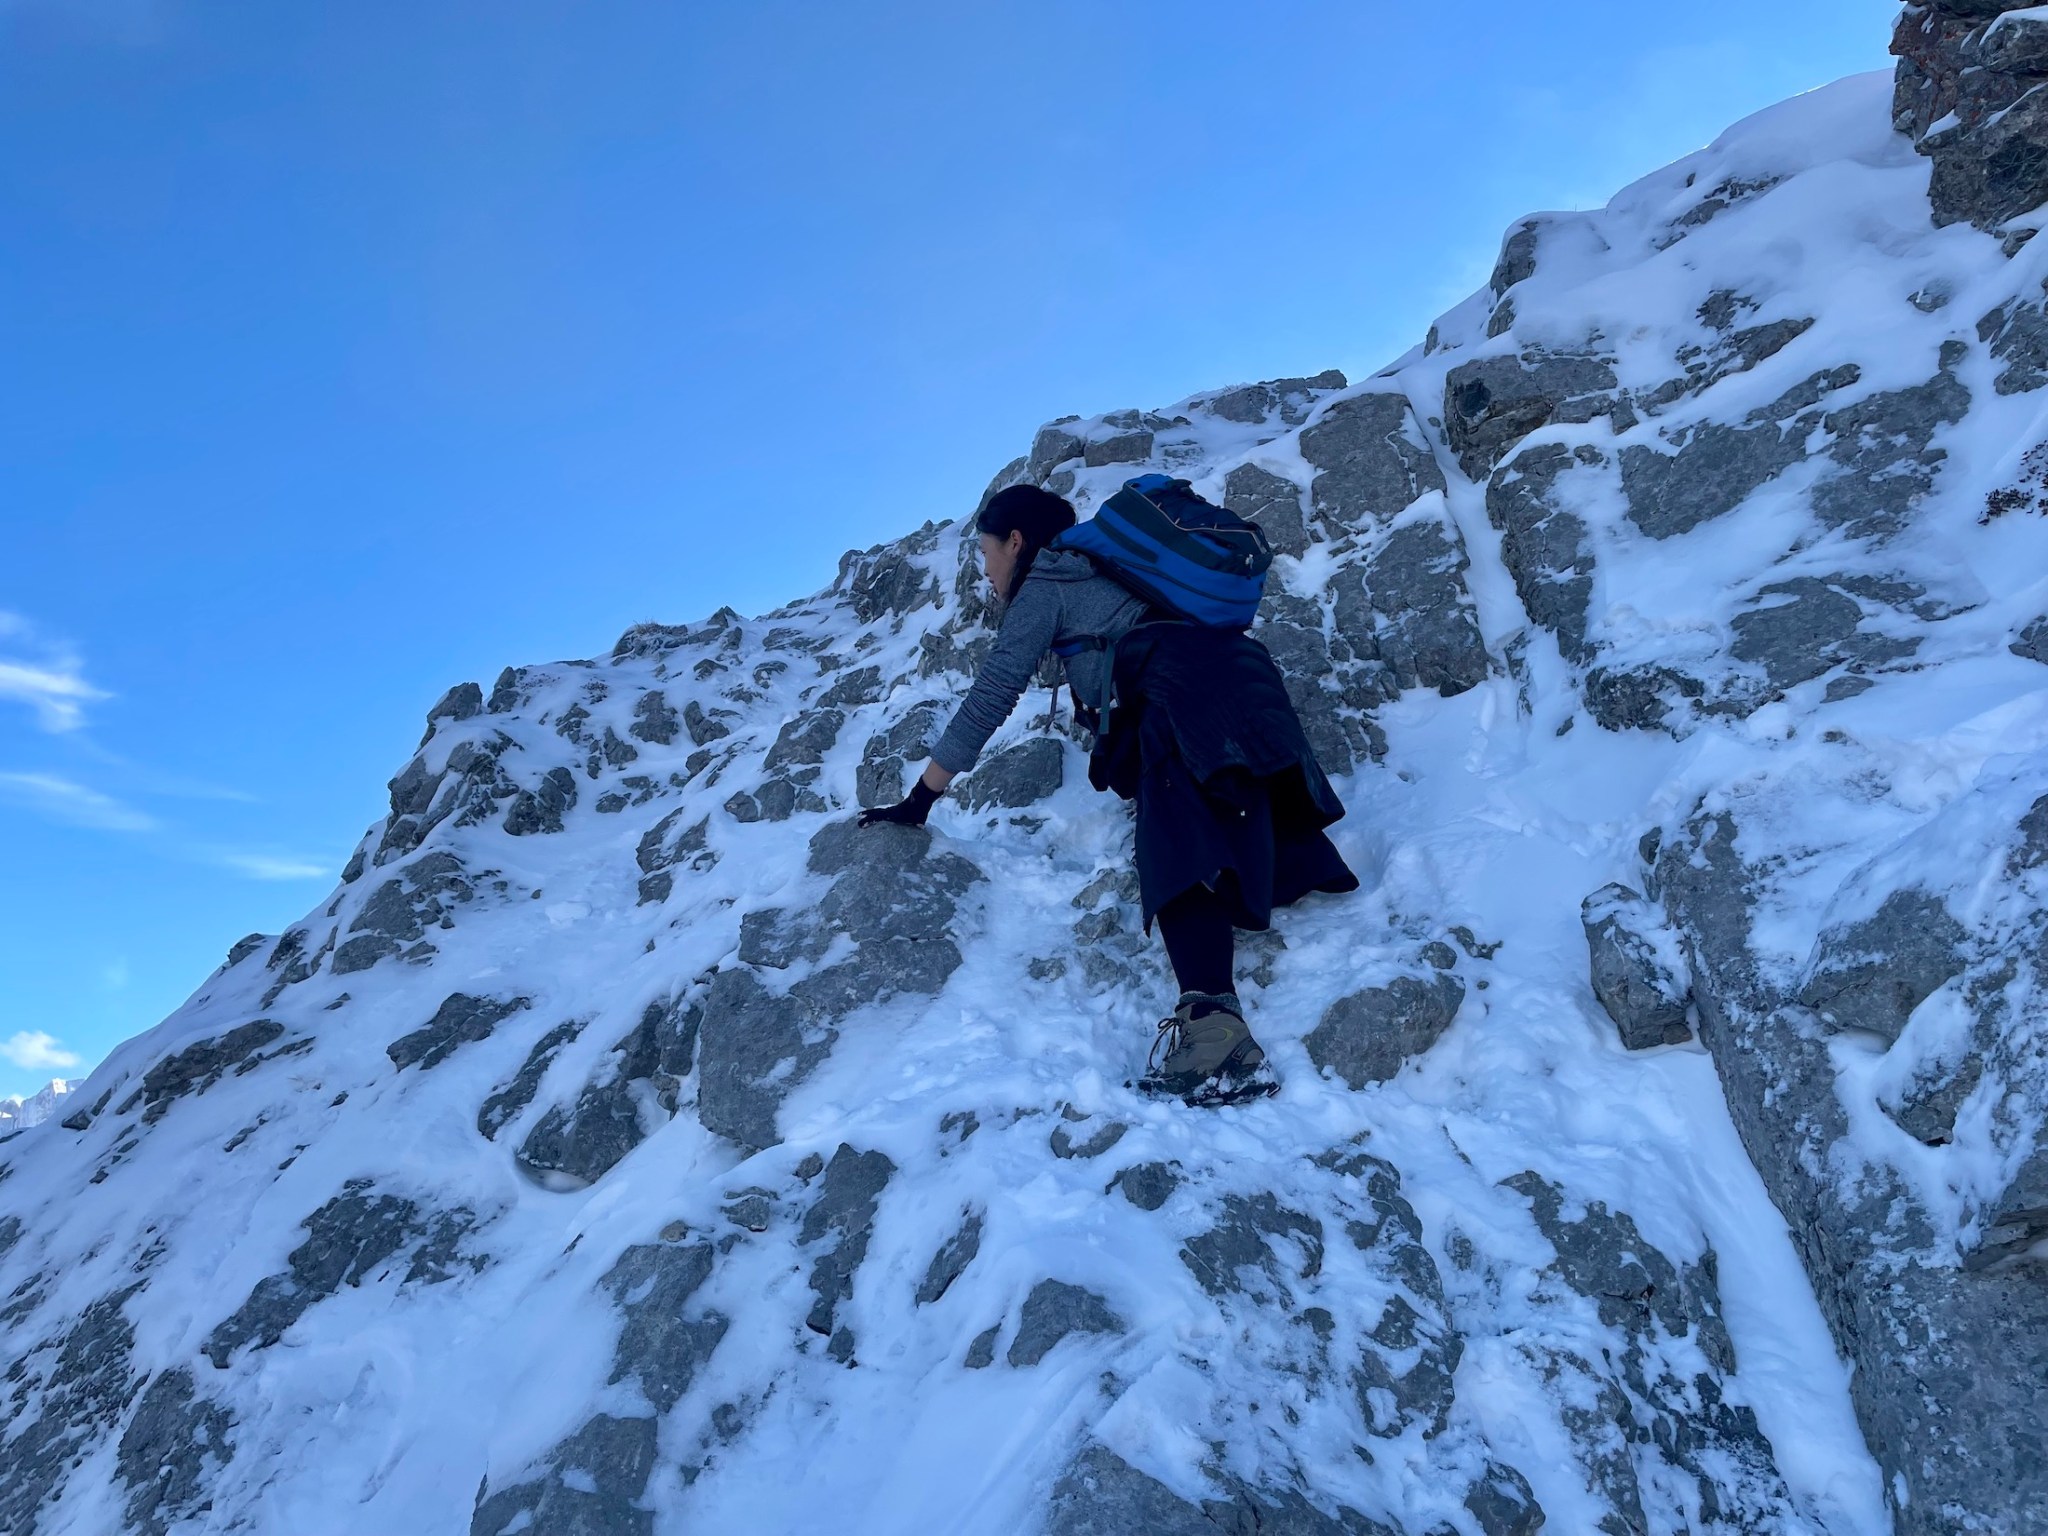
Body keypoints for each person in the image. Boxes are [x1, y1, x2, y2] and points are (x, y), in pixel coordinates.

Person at [859, 482, 1359, 1103]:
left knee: (1178, 850)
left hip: (1176, 698)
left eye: (987, 553)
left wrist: (920, 799)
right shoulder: (1110, 569)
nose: (986, 572)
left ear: (1017, 541)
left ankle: (1216, 1039)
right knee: (1221, 820)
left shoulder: (1046, 584)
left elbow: (993, 693)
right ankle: (1268, 944)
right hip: (1243, 681)